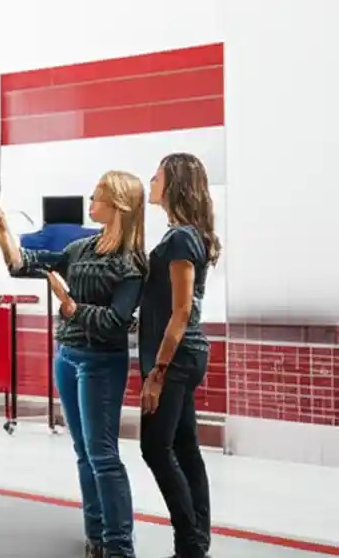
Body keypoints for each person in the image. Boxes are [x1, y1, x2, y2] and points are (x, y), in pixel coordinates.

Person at [0, 171, 147, 558]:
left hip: (100, 363)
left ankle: (119, 547)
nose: (90, 203)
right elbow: (22, 264)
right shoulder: (80, 248)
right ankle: (96, 538)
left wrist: (71, 305)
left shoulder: (132, 263)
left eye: (97, 198)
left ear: (118, 207)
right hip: (68, 357)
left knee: (103, 456)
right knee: (83, 452)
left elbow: (115, 323)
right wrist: (1, 230)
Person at [138, 153, 218, 558]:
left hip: (177, 356)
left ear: (173, 185)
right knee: (185, 448)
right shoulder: (180, 236)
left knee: (153, 447)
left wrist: (157, 372)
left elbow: (182, 310)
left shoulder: (182, 238)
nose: (150, 181)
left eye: (157, 176)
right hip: (182, 353)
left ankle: (189, 542)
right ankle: (196, 543)